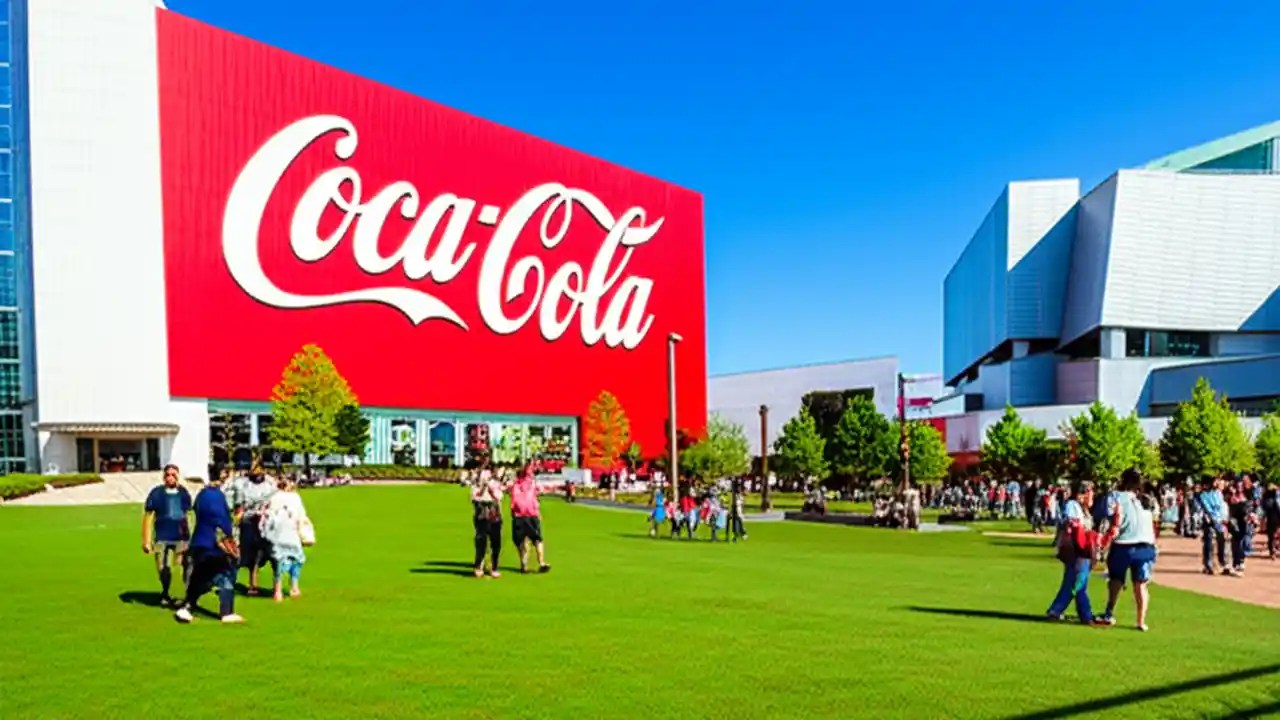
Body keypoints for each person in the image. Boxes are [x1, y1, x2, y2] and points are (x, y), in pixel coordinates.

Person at [175, 472, 243, 624]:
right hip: (214, 544)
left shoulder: (202, 495)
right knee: (226, 574)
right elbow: (221, 521)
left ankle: (187, 607)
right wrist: (229, 542)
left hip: (199, 542)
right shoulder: (217, 496)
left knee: (199, 576)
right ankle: (227, 612)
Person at [1096, 469, 1157, 631]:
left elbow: (1108, 515)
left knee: (1116, 580)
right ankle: (1140, 621)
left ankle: (1109, 613)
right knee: (1141, 584)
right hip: (1146, 544)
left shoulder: (1115, 496)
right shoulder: (1147, 499)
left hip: (1124, 543)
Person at [141, 464, 193, 607]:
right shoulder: (156, 493)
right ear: (164, 477)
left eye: (173, 475)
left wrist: (190, 537)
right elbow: (148, 516)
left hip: (180, 536)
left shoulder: (183, 493)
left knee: (178, 567)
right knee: (162, 568)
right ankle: (165, 592)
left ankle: (177, 596)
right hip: (162, 536)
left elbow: (187, 515)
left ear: (178, 476)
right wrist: (146, 540)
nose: (170, 477)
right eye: (167, 475)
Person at [1046, 481, 1097, 623]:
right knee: (1078, 583)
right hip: (1077, 551)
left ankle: (1058, 611)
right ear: (1084, 493)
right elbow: (1073, 528)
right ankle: (1083, 614)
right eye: (1091, 492)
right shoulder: (1073, 506)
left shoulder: (1082, 508)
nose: (1093, 496)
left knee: (1073, 583)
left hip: (1081, 552)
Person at [227, 467, 277, 594]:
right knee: (246, 554)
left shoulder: (269, 485)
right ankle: (244, 583)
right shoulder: (243, 484)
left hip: (265, 523)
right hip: (248, 522)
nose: (258, 474)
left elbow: (274, 502)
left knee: (268, 554)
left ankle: (276, 586)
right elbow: (238, 507)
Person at [262, 476, 311, 601]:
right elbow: (301, 516)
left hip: (277, 533)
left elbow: (267, 513)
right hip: (291, 532)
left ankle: (278, 592)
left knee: (278, 562)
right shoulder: (295, 497)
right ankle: (294, 587)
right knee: (297, 559)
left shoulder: (274, 496)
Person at [510, 466, 551, 574]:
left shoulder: (515, 485)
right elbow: (541, 491)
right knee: (537, 539)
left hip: (518, 515)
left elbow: (513, 501)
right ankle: (541, 562)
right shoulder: (531, 483)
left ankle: (524, 565)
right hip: (531, 515)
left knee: (521, 541)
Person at [471, 466, 505, 578]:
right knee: (481, 541)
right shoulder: (475, 485)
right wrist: (482, 488)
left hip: (494, 512)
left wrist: (491, 489)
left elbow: (499, 497)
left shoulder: (496, 484)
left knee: (496, 542)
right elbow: (475, 498)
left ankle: (494, 567)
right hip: (481, 512)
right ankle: (478, 566)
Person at [1195, 476, 1231, 575]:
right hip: (1209, 521)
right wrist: (1214, 519)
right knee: (1209, 542)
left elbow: (1221, 506)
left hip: (1219, 520)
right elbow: (1207, 508)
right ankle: (1208, 564)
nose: (1218, 483)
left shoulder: (1218, 493)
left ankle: (1223, 562)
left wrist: (1222, 518)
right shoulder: (1203, 495)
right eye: (1216, 481)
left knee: (1222, 542)